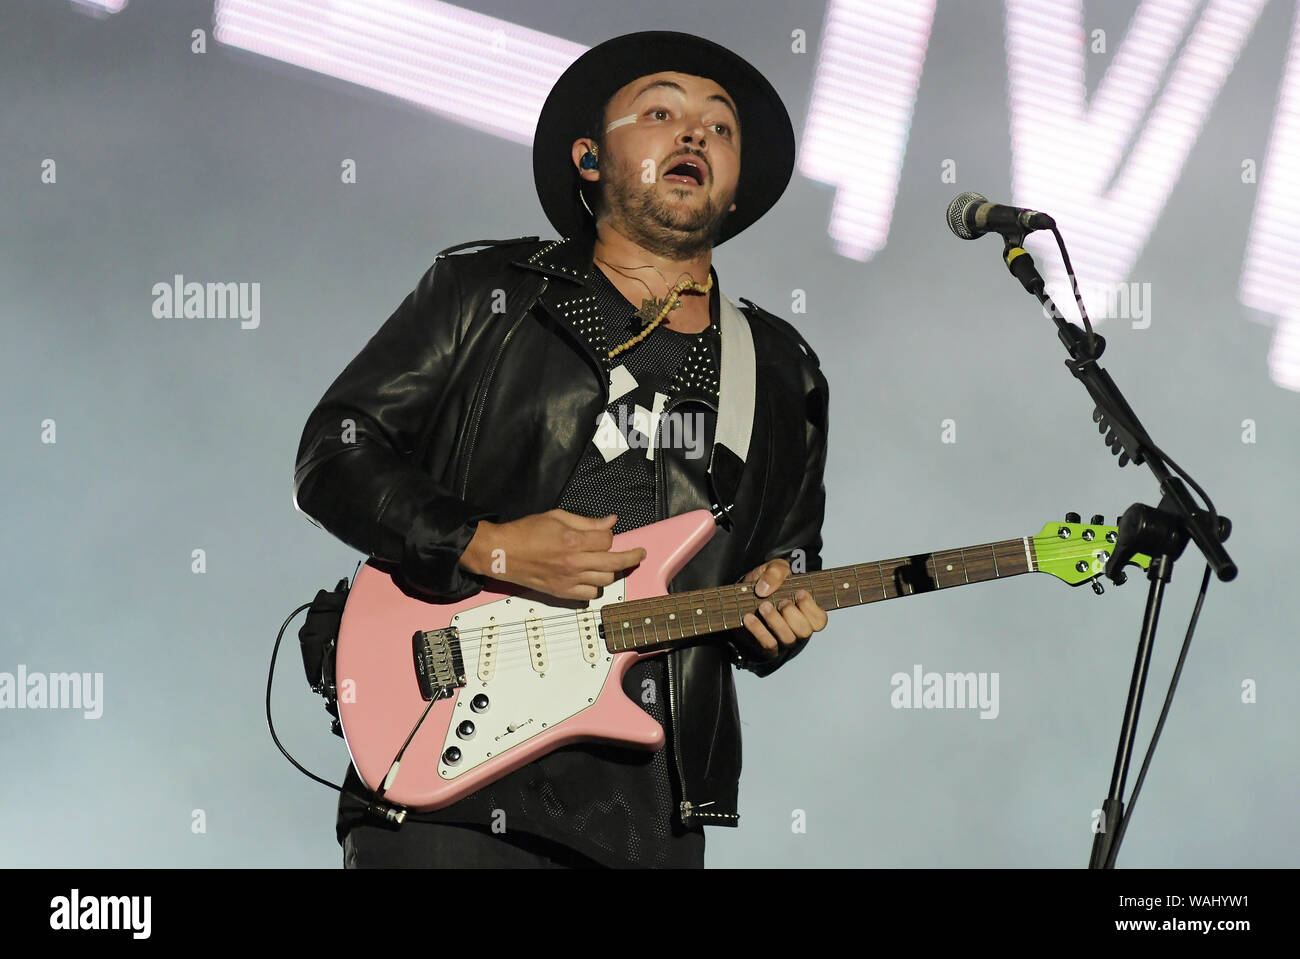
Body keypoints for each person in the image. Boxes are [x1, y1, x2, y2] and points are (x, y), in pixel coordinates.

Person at [293, 30, 831, 869]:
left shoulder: (781, 369)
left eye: (720, 128)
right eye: (660, 112)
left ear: (734, 189)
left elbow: (785, 554)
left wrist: (779, 615)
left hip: (651, 808)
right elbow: (334, 454)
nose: (695, 135)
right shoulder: (489, 294)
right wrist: (486, 543)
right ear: (589, 158)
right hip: (454, 779)